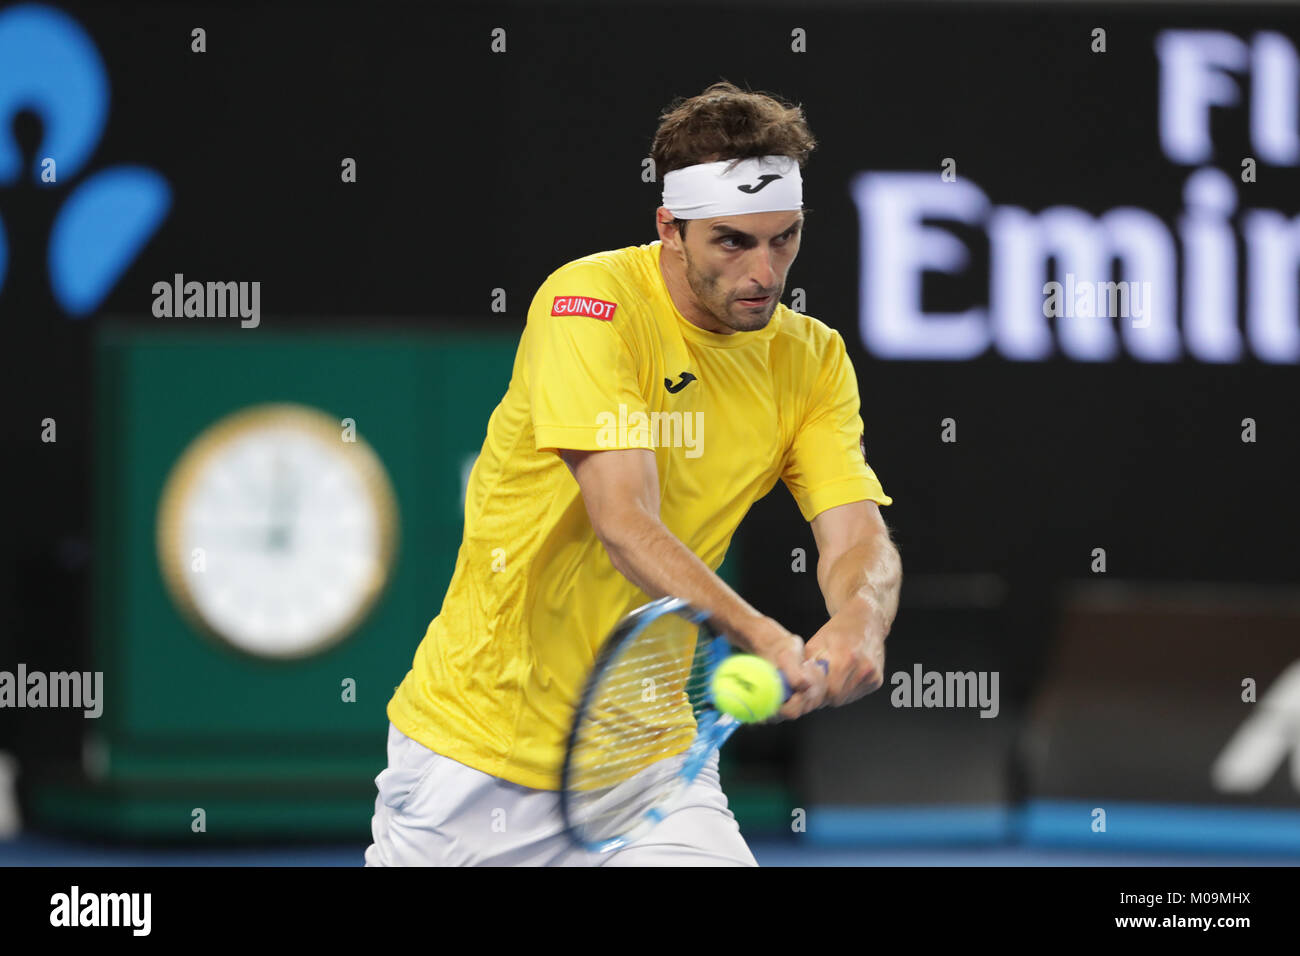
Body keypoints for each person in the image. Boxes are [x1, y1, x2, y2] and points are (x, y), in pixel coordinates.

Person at [365, 80, 901, 866]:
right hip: (474, 759)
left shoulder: (812, 359)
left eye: (783, 238)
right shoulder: (590, 305)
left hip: (649, 766)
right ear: (669, 229)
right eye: (732, 241)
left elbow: (855, 533)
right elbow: (625, 522)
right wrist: (755, 632)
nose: (764, 269)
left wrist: (861, 615)